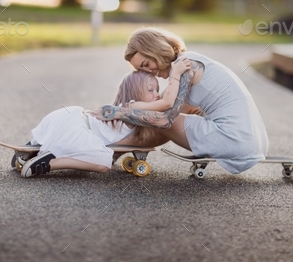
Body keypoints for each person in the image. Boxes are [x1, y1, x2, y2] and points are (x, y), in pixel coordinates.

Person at [88, 27, 269, 174]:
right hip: (251, 142)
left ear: (155, 50)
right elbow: (168, 105)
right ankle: (114, 149)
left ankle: (109, 149)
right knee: (156, 113)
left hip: (234, 139)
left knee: (160, 118)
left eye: (146, 65)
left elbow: (165, 119)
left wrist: (119, 112)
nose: (148, 72)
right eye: (141, 70)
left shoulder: (187, 67)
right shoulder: (186, 63)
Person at [20, 58, 192, 178]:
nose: (156, 94)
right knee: (103, 163)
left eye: (156, 90)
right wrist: (176, 74)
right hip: (80, 128)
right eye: (150, 90)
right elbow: (166, 104)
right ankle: (49, 163)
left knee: (58, 138)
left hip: (70, 117)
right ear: (135, 92)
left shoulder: (125, 108)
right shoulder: (133, 107)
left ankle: (32, 149)